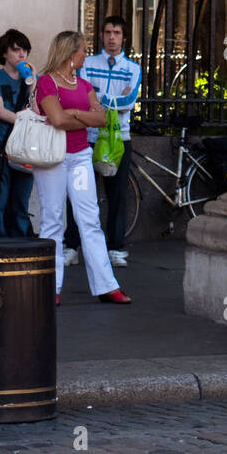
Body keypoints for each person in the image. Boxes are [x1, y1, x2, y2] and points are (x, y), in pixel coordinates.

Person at [33, 31, 131, 306]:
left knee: (90, 219)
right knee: (53, 220)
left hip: (80, 156)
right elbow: (56, 119)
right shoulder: (46, 83)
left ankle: (106, 285)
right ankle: (50, 287)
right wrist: (79, 116)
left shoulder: (85, 84)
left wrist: (73, 115)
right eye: (83, 50)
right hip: (53, 158)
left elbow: (100, 118)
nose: (86, 54)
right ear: (70, 53)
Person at [76, 16, 142, 268]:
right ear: (101, 35)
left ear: (124, 37)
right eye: (107, 32)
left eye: (116, 32)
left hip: (120, 140)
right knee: (81, 194)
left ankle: (116, 248)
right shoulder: (88, 63)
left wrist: (99, 97)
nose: (111, 37)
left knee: (118, 195)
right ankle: (73, 245)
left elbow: (130, 101)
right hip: (90, 137)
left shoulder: (133, 68)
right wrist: (115, 97)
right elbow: (83, 96)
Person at [0, 29, 35, 239]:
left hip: (26, 146)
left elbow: (37, 108)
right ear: (4, 53)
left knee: (21, 198)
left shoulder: (30, 79)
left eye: (25, 50)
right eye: (16, 50)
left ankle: (20, 240)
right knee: (0, 198)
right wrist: (26, 122)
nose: (22, 55)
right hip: (3, 144)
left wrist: (32, 79)